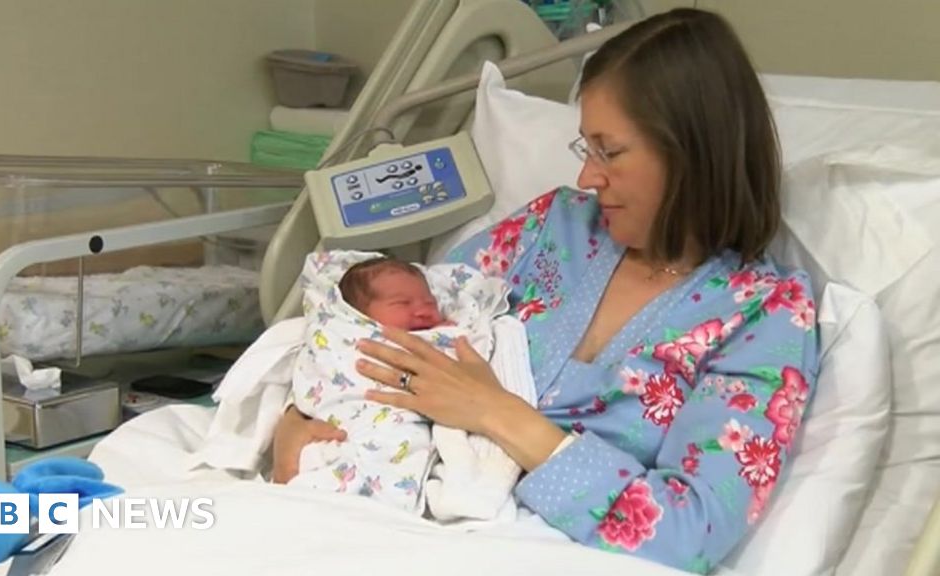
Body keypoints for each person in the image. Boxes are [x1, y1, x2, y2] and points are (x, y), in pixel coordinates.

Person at [274, 8, 819, 573]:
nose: (588, 178)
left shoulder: (763, 314)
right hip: (378, 504)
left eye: (610, 152)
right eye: (587, 150)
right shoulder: (549, 228)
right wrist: (294, 417)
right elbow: (373, 325)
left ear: (691, 151)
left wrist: (497, 414)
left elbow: (690, 531)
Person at [286, 253, 519, 515]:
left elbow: (464, 372)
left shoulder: (439, 333)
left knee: (402, 451)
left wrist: (446, 336)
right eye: (402, 303)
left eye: (429, 302)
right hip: (352, 421)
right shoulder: (349, 334)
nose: (423, 310)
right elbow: (321, 367)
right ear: (358, 314)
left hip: (402, 424)